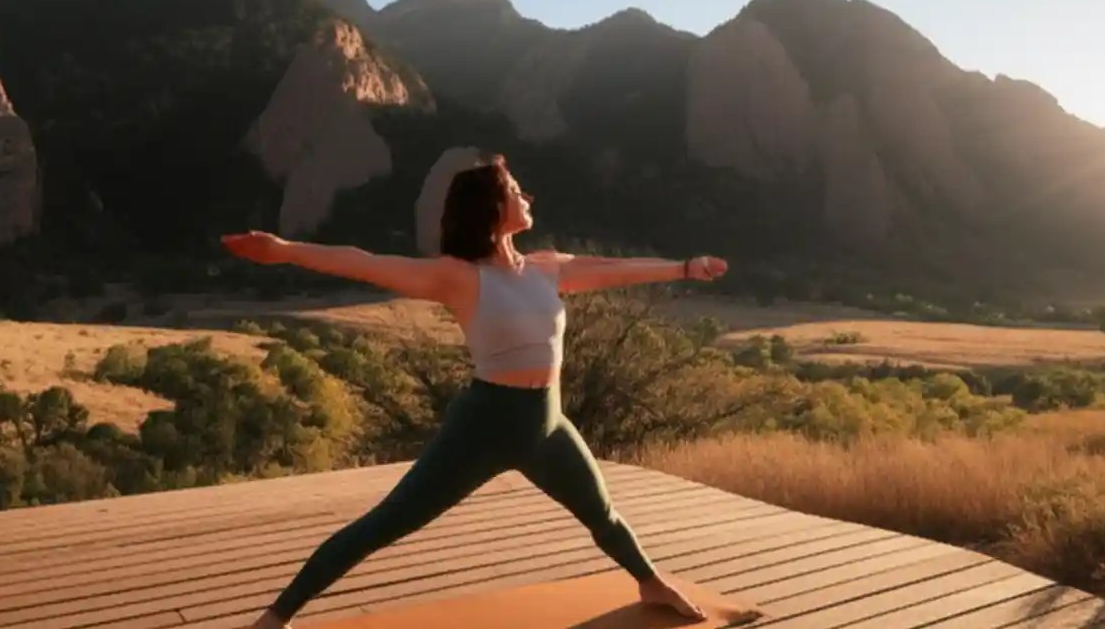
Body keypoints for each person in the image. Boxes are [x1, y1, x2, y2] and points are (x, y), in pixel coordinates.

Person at [221, 154, 730, 628]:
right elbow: (363, 261)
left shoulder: (546, 268)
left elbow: (615, 270)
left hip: (546, 423)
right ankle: (276, 618)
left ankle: (651, 583)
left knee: (603, 515)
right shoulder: (459, 277)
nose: (527, 195)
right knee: (385, 524)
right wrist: (284, 251)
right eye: (514, 189)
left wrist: (685, 267)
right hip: (483, 426)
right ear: (493, 207)